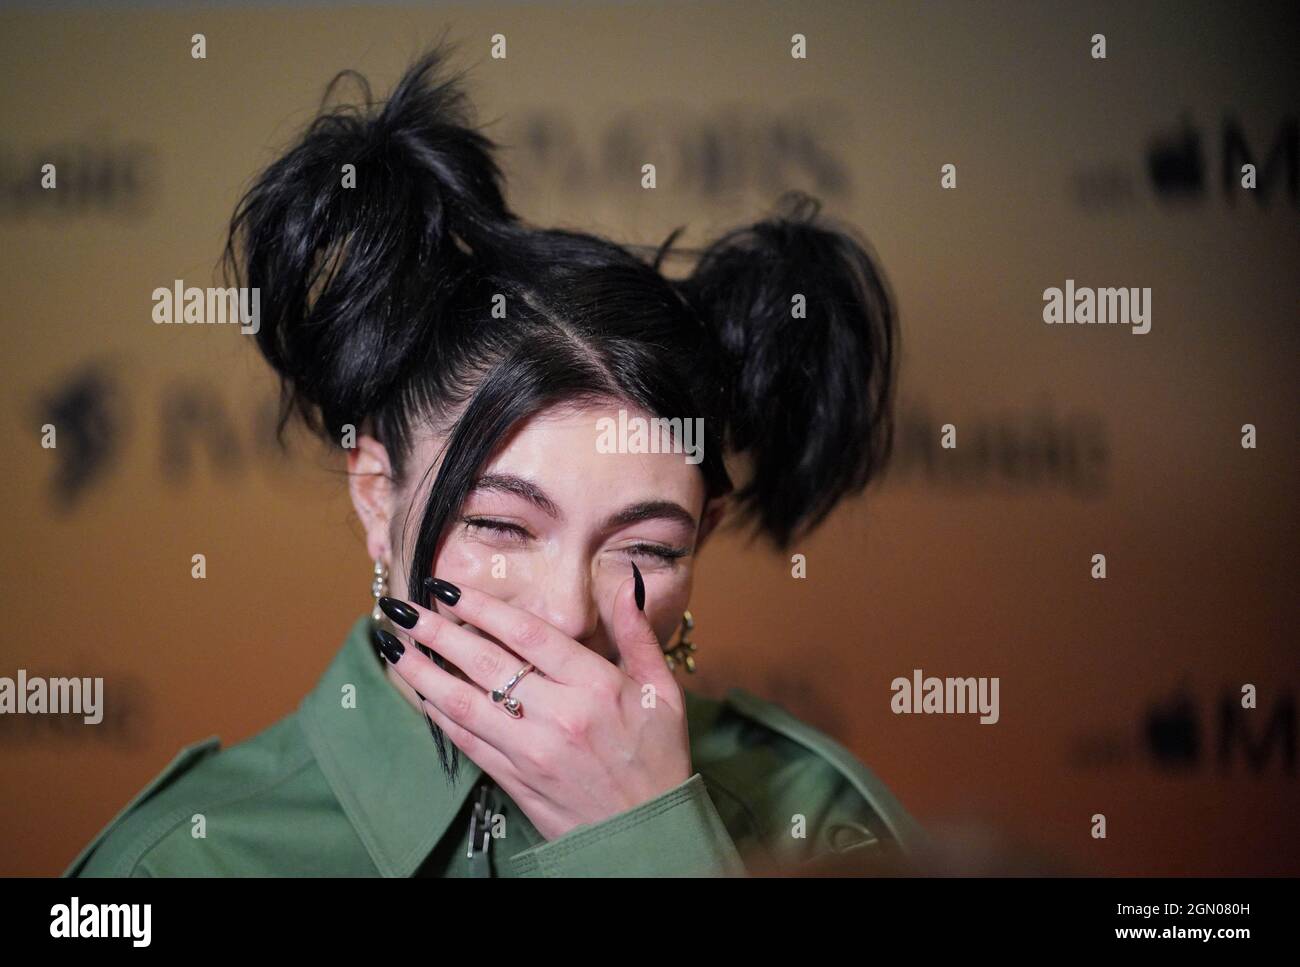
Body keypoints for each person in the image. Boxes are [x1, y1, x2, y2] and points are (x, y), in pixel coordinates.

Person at [64, 41, 923, 877]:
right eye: (502, 523)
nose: (563, 613)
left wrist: (650, 843)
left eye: (649, 548)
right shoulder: (183, 858)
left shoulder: (819, 823)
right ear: (375, 491)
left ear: (706, 532)